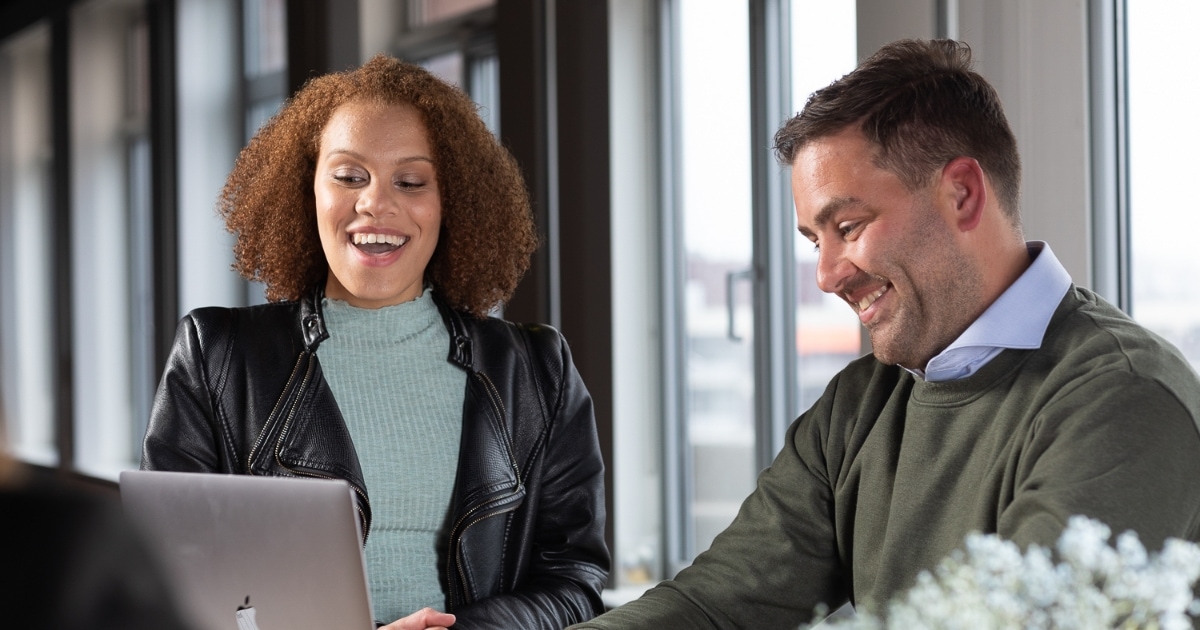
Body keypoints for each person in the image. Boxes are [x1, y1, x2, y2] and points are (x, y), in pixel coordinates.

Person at [569, 38, 1200, 629]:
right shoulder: (859, 405)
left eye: (848, 226)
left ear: (961, 194)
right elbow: (714, 605)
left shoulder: (1125, 399)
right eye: (814, 241)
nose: (824, 275)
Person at [142, 55, 609, 630]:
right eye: (348, 176)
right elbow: (164, 580)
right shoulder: (216, 357)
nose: (375, 204)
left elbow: (574, 582)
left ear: (451, 203)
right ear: (305, 191)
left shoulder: (537, 371)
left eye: (410, 182)